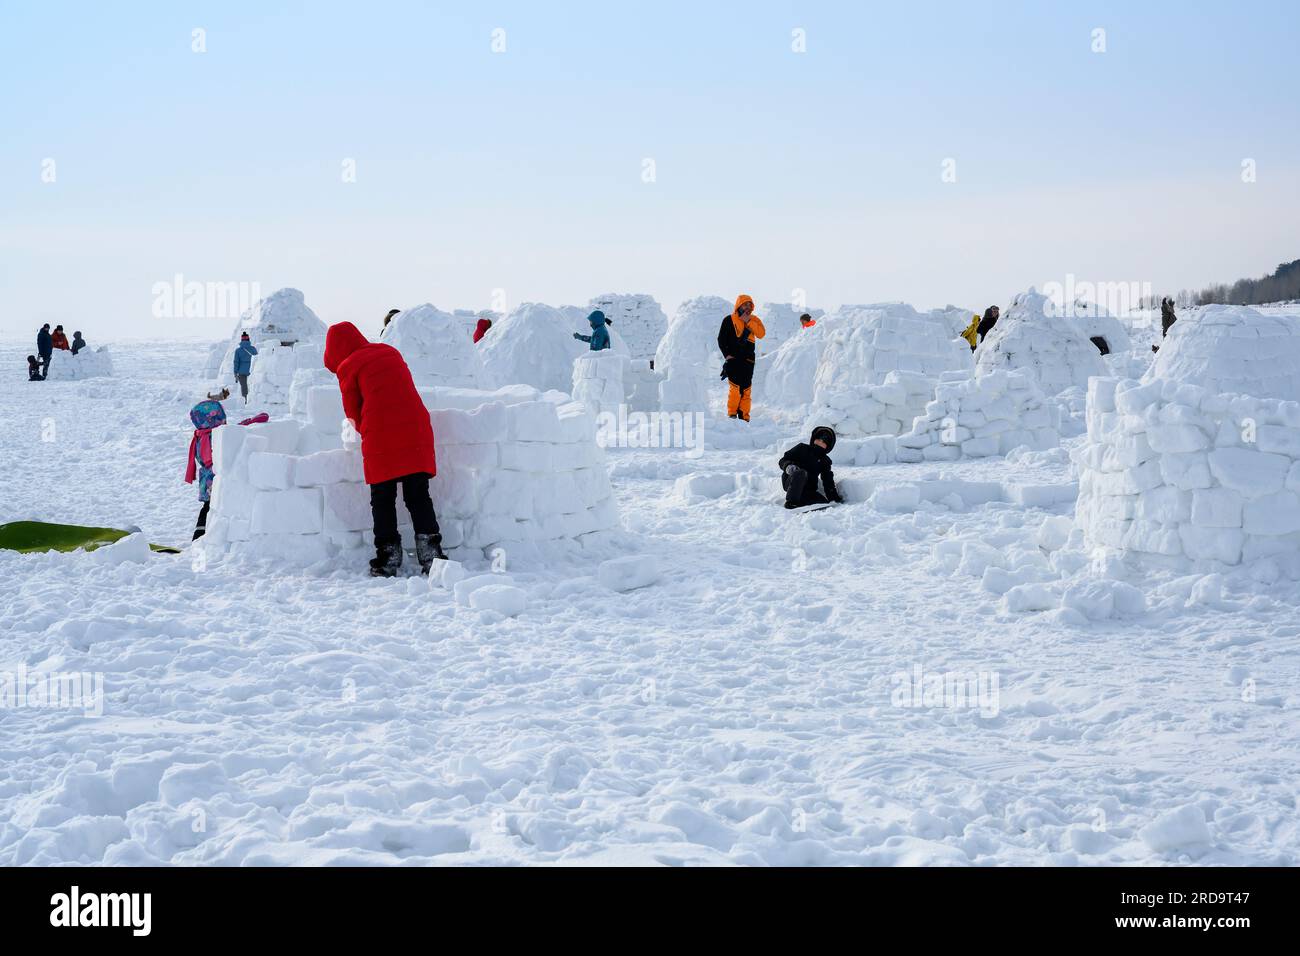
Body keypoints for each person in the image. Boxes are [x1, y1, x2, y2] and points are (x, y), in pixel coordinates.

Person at [323, 321, 445, 577]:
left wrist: (367, 431)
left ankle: (388, 558)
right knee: (418, 496)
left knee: (383, 498)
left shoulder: (348, 366)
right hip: (417, 428)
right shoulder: (389, 351)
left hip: (381, 433)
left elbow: (353, 412)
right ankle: (432, 555)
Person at [717, 294, 766, 421]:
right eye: (745, 304)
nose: (748, 307)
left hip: (749, 361)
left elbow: (761, 334)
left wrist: (748, 321)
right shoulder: (729, 320)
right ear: (739, 305)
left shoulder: (754, 320)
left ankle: (744, 417)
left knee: (746, 389)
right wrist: (727, 356)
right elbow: (721, 339)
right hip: (733, 360)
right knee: (735, 387)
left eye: (750, 305)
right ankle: (732, 414)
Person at [184, 399, 228, 540]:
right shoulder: (209, 437)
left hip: (208, 478)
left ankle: (204, 533)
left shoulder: (201, 435)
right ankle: (199, 536)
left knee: (209, 506)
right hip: (212, 479)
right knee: (209, 507)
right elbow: (212, 459)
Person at [779, 426, 842, 509]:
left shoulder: (825, 461)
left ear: (828, 446)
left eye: (823, 441)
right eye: (818, 439)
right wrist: (788, 466)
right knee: (801, 473)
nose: (819, 442)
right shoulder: (802, 448)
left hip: (808, 490)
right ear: (813, 439)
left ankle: (801, 503)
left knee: (823, 502)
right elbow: (783, 459)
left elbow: (828, 481)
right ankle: (791, 502)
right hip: (792, 482)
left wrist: (834, 499)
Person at [232, 332, 258, 401]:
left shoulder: (238, 351)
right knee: (252, 386)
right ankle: (253, 400)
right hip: (252, 371)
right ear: (248, 340)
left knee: (244, 386)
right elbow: (257, 360)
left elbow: (236, 362)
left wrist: (235, 372)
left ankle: (245, 400)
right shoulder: (253, 349)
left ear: (241, 340)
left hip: (242, 372)